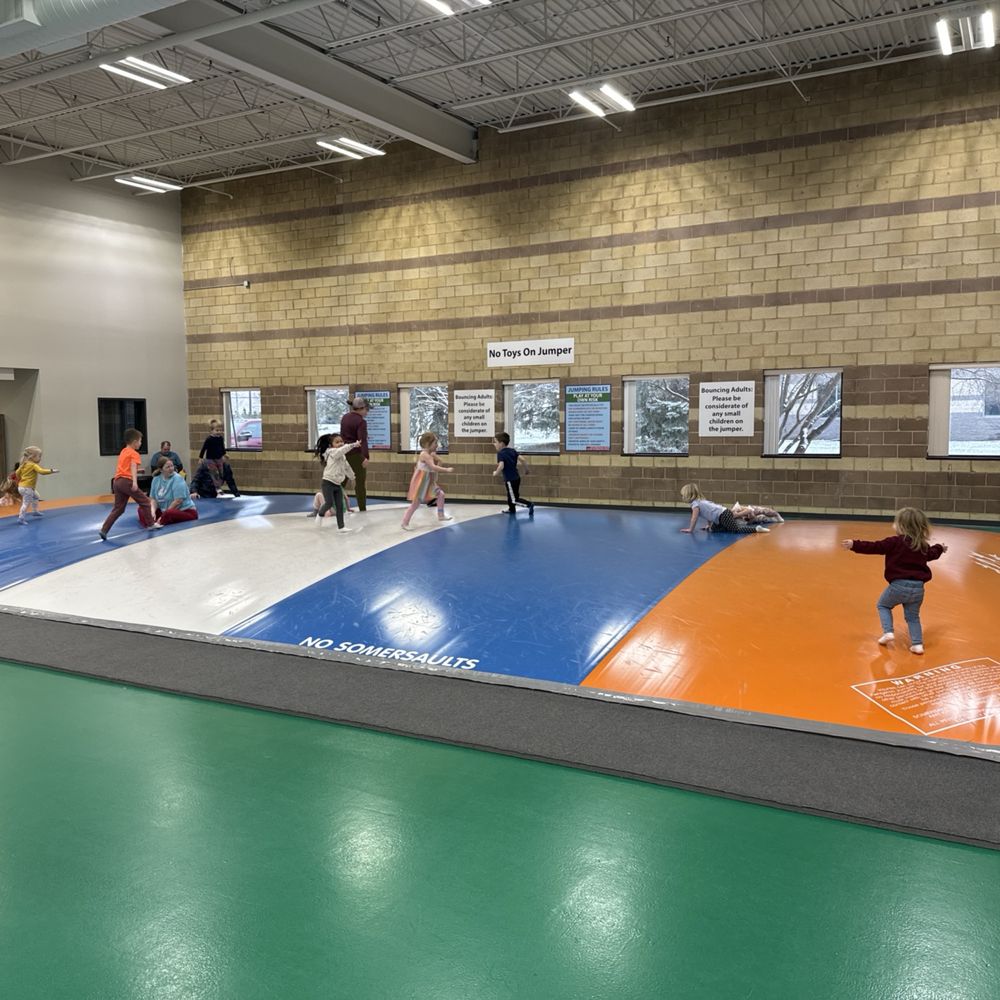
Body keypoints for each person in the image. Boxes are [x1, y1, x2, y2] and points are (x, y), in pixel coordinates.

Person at [841, 507, 947, 655]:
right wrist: (940, 547)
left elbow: (875, 547)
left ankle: (888, 632)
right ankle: (917, 645)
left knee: (883, 605)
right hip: (918, 590)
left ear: (901, 526)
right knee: (913, 617)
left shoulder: (894, 542)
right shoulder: (922, 545)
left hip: (898, 586)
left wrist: (855, 544)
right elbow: (932, 554)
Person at [100, 428, 153, 539]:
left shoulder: (123, 451)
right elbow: (133, 466)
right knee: (146, 502)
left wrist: (139, 470)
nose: (141, 443)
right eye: (140, 441)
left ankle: (104, 530)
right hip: (126, 481)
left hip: (117, 482)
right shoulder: (134, 453)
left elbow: (125, 468)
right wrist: (135, 482)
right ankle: (151, 524)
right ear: (135, 442)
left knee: (118, 509)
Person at [401, 432, 454, 530]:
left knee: (440, 494)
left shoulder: (429, 454)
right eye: (435, 443)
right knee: (415, 504)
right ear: (427, 444)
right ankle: (405, 522)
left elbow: (435, 468)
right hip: (422, 482)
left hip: (428, 481)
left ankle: (441, 515)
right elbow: (433, 467)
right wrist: (446, 470)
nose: (437, 445)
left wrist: (439, 460)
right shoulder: (425, 455)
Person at [680, 483, 769, 534]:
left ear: (688, 495)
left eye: (683, 495)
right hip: (722, 515)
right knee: (713, 529)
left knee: (735, 530)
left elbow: (694, 518)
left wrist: (690, 529)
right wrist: (709, 525)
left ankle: (756, 529)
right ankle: (729, 525)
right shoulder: (700, 501)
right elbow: (708, 514)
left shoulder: (695, 505)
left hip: (723, 515)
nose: (682, 497)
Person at [314, 432, 359, 531]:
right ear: (331, 445)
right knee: (329, 503)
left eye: (341, 441)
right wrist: (353, 445)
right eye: (337, 442)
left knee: (340, 506)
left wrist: (353, 478)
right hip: (328, 482)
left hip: (337, 484)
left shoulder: (343, 457)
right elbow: (342, 450)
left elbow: (347, 468)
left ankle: (341, 527)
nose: (340, 443)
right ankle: (320, 514)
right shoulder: (332, 452)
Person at [14, 446, 59, 525]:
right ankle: (21, 518)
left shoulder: (24, 464)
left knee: (36, 496)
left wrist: (22, 478)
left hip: (22, 487)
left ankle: (35, 511)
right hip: (27, 488)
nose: (40, 458)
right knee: (26, 503)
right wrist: (52, 470)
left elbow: (17, 473)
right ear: (33, 457)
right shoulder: (33, 465)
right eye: (39, 456)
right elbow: (42, 471)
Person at [492, 432, 534, 516]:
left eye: (495, 442)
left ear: (501, 443)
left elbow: (501, 465)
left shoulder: (501, 453)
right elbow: (523, 460)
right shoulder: (512, 451)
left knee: (514, 499)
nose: (494, 444)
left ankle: (529, 504)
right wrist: (527, 469)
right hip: (516, 478)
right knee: (511, 495)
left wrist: (496, 473)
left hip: (510, 479)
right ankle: (511, 509)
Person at [149, 459, 198, 528]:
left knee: (169, 513)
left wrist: (163, 516)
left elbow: (178, 501)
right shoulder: (156, 479)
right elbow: (153, 499)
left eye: (172, 466)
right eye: (168, 467)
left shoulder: (177, 478)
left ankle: (158, 523)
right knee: (143, 509)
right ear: (161, 470)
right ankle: (150, 523)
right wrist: (152, 511)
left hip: (184, 511)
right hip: (165, 511)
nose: (171, 469)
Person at [340, 398, 370, 511]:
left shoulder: (345, 417)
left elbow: (344, 437)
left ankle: (335, 506)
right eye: (366, 409)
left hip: (344, 453)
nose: (367, 412)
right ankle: (362, 508)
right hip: (356, 455)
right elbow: (362, 440)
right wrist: (365, 457)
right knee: (360, 483)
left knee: (341, 482)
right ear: (361, 408)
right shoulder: (361, 421)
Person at [198, 419, 228, 493]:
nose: (219, 432)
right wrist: (200, 457)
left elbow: (222, 447)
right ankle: (217, 488)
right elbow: (204, 448)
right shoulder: (209, 439)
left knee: (221, 473)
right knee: (214, 473)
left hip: (219, 458)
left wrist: (224, 454)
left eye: (220, 430)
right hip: (210, 459)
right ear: (211, 430)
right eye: (217, 430)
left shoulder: (220, 438)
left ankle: (218, 485)